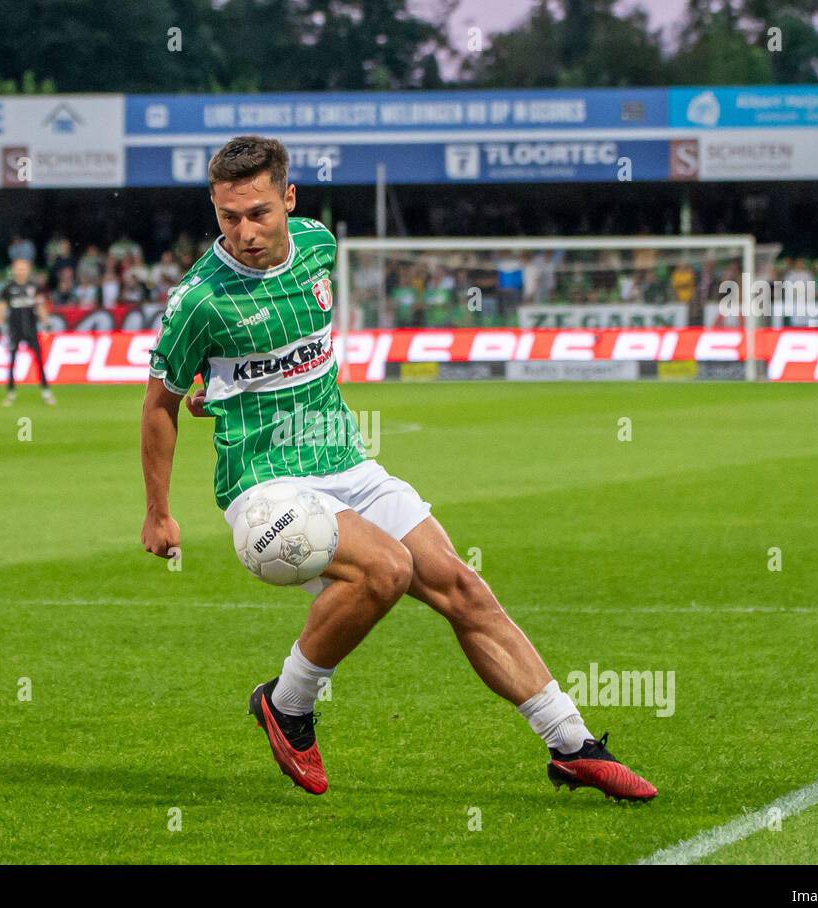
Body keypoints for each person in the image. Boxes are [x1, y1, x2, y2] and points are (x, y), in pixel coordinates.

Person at [139, 135, 656, 801]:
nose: (244, 232)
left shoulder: (320, 246)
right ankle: (289, 705)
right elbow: (160, 405)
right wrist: (158, 512)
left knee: (462, 587)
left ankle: (571, 745)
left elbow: (285, 357)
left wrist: (234, 388)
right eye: (228, 216)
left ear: (289, 200)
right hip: (264, 486)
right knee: (388, 569)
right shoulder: (198, 301)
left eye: (260, 213)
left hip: (345, 460)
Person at [0, 259, 55, 407]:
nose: (21, 271)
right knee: (12, 361)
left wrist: (46, 324)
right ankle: (10, 392)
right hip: (14, 330)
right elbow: (1, 308)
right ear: (14, 270)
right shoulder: (8, 289)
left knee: (39, 361)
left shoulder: (34, 287)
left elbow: (40, 306)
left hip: (31, 330)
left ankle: (46, 391)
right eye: (18, 268)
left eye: (24, 268)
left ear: (28, 270)